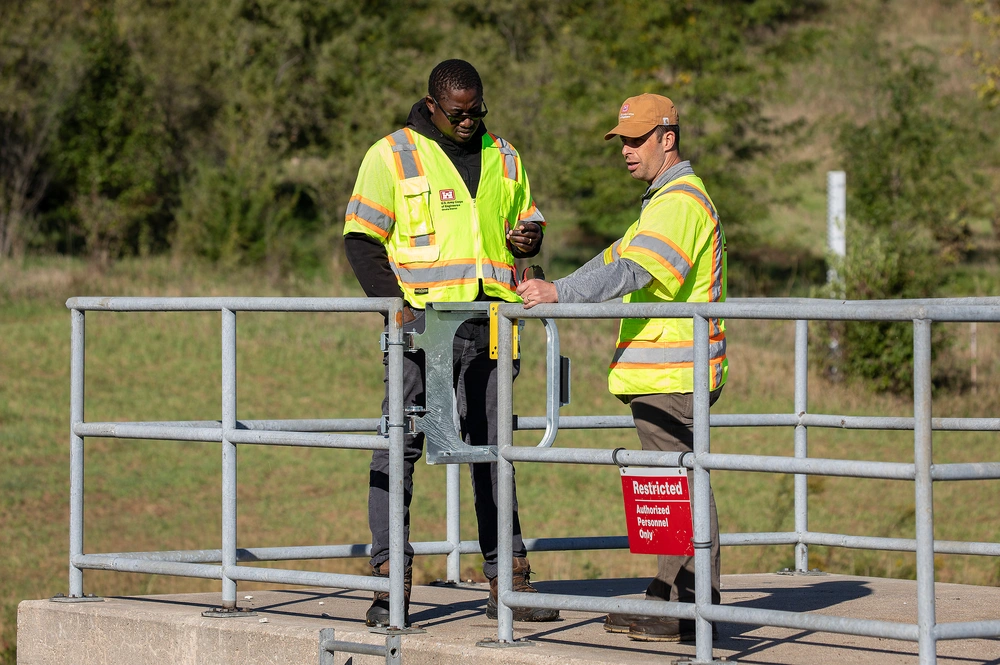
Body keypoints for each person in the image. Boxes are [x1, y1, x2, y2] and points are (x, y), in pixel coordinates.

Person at [343, 58, 559, 627]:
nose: (469, 121)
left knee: (495, 451)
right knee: (400, 446)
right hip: (422, 331)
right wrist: (397, 310)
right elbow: (361, 240)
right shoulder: (392, 154)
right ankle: (390, 585)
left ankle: (509, 582)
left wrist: (529, 238)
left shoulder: (505, 156)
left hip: (491, 326)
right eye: (458, 113)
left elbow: (528, 227)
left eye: (477, 111)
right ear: (432, 105)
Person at [516, 93, 727, 643]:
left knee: (680, 490)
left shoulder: (680, 203)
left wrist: (560, 293)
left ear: (667, 139)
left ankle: (693, 607)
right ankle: (668, 597)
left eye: (636, 140)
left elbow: (632, 271)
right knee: (667, 491)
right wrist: (557, 286)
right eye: (623, 141)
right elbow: (612, 258)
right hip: (662, 377)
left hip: (675, 377)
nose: (627, 151)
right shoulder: (661, 203)